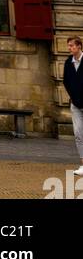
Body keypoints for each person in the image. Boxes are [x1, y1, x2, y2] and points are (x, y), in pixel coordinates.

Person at [62, 34, 83, 176]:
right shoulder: (68, 62)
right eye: (68, 45)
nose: (69, 48)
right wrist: (74, 97)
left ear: (79, 46)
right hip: (75, 105)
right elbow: (66, 81)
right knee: (78, 134)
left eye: (72, 45)